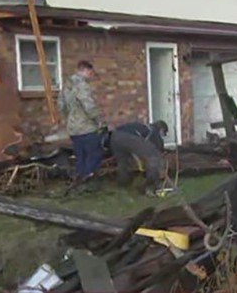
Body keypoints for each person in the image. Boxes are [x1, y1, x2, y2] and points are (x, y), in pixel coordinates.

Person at [59, 61, 106, 191]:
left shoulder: (67, 86)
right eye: (91, 73)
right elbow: (89, 106)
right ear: (84, 70)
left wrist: (71, 118)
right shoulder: (83, 86)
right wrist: (99, 121)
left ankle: (79, 180)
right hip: (86, 127)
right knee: (95, 154)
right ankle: (87, 179)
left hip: (73, 128)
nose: (91, 76)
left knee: (81, 157)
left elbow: (61, 106)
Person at [106, 121, 168, 196]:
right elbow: (158, 148)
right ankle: (150, 187)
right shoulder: (153, 131)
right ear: (161, 129)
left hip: (115, 136)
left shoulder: (141, 126)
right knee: (154, 156)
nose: (162, 135)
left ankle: (123, 185)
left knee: (123, 162)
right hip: (129, 137)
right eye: (163, 133)